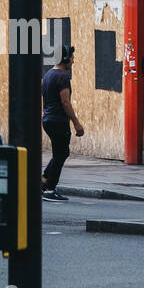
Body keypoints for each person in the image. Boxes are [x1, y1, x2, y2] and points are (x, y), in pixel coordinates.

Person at [42, 43, 84, 201]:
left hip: (48, 119)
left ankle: (44, 180)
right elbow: (65, 102)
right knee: (61, 154)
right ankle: (50, 189)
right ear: (66, 58)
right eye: (72, 58)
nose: (73, 61)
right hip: (58, 120)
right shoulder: (62, 77)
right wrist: (76, 122)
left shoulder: (48, 75)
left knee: (59, 153)